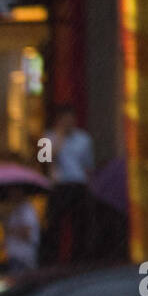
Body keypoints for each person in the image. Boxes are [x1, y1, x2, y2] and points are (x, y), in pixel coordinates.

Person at [42, 105, 95, 264]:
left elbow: (88, 165)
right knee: (54, 224)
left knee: (80, 225)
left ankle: (79, 259)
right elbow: (44, 161)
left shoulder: (84, 139)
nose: (69, 122)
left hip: (77, 184)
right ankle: (52, 259)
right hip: (59, 185)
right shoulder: (48, 137)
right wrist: (59, 138)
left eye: (71, 119)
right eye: (65, 119)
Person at [2, 189, 40, 272]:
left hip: (23, 258)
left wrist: (10, 230)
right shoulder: (15, 211)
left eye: (13, 193)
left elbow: (27, 234)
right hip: (14, 255)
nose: (10, 197)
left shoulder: (27, 210)